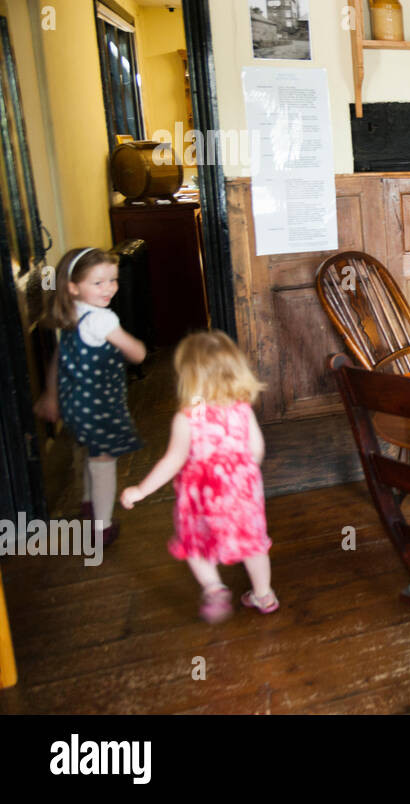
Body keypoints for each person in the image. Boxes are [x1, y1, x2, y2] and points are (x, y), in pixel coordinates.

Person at [121, 331, 276, 623]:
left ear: (189, 377)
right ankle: (264, 594)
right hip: (242, 495)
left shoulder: (187, 418)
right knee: (253, 544)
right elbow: (257, 450)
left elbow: (172, 461)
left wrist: (141, 490)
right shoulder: (242, 411)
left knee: (196, 544)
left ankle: (214, 588)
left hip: (201, 497)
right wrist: (241, 475)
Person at [35, 247, 146, 548]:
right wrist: (139, 347)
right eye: (98, 282)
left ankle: (87, 505)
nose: (109, 287)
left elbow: (59, 358)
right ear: (73, 286)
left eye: (112, 279)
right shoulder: (102, 320)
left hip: (75, 403)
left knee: (88, 451)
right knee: (103, 463)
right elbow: (136, 353)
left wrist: (50, 395)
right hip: (99, 406)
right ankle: (102, 528)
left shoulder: (73, 312)